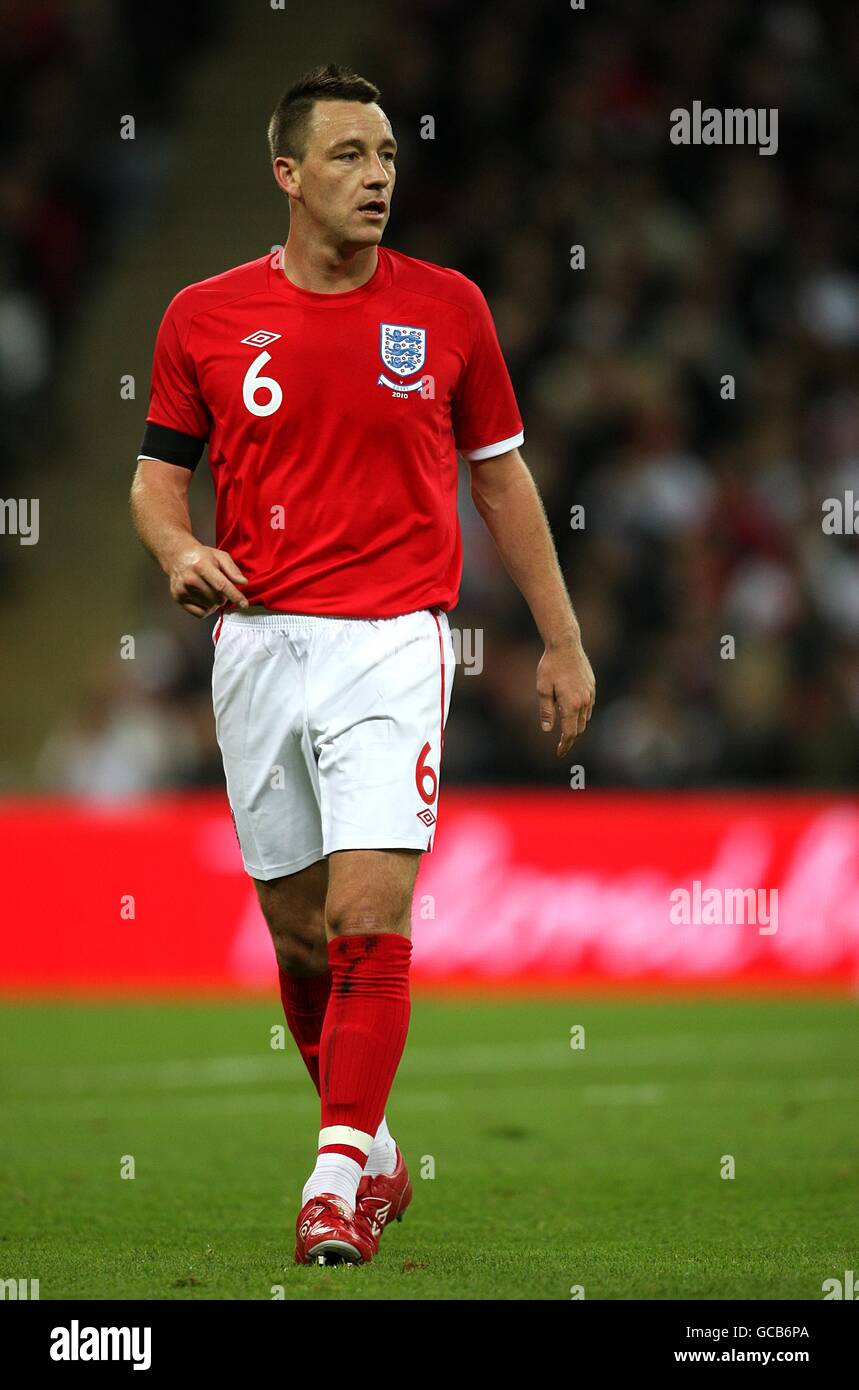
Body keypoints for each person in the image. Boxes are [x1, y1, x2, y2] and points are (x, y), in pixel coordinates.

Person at [130, 63, 595, 1266]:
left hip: (392, 639)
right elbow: (155, 475)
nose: (377, 174)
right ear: (287, 174)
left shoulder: (446, 309)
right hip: (257, 643)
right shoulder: (202, 316)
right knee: (295, 936)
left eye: (387, 155)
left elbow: (498, 474)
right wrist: (179, 547)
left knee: (365, 916)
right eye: (348, 155)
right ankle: (375, 1146)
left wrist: (561, 635)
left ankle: (331, 1181)